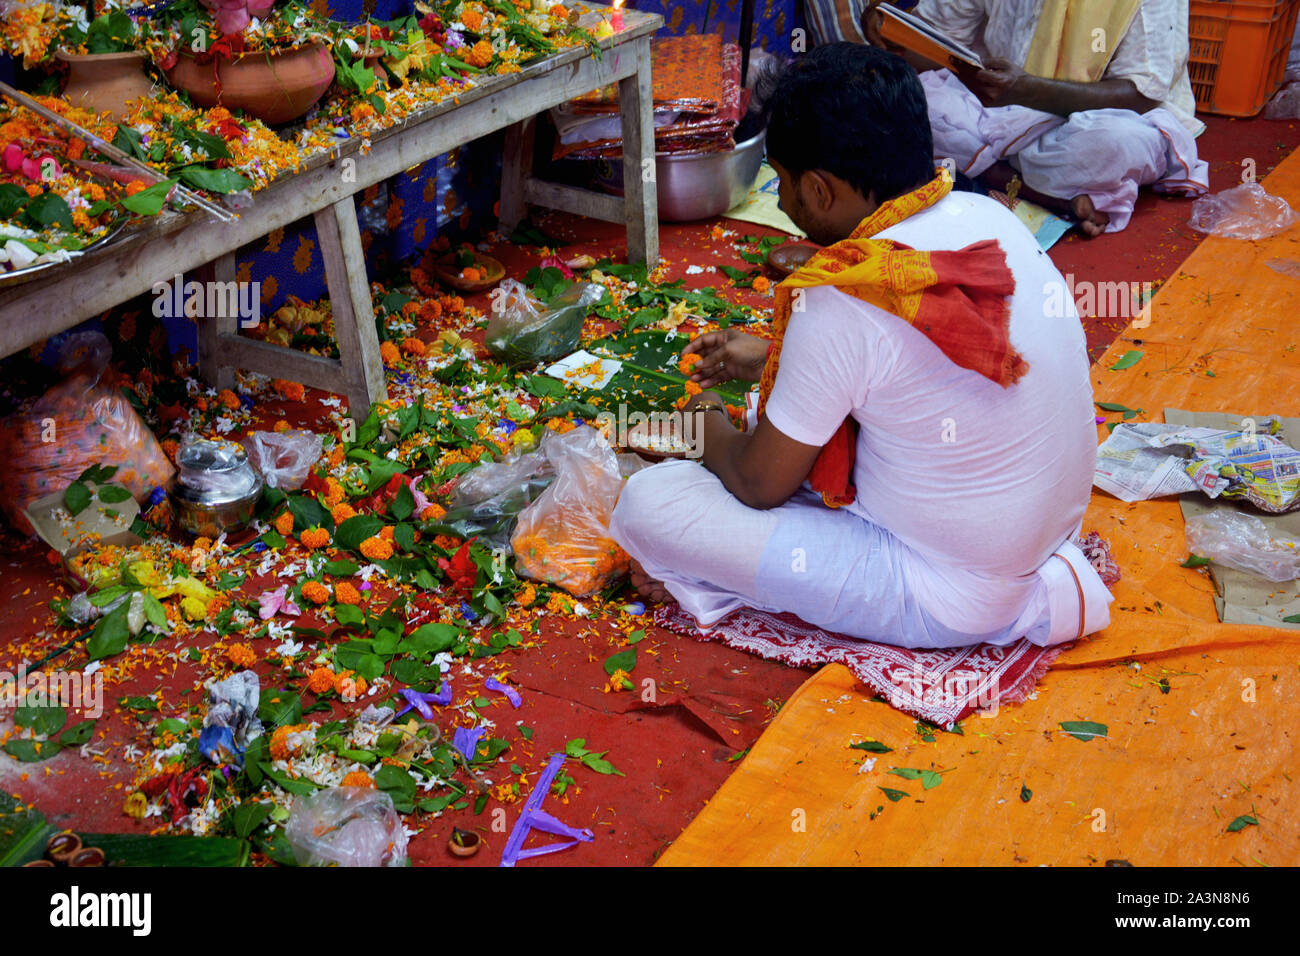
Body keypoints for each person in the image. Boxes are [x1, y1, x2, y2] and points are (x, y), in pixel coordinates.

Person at [609, 43, 1112, 650]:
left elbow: (759, 485)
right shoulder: (989, 217)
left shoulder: (844, 296)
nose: (786, 202)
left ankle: (718, 578)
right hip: (1041, 531)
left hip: (949, 592)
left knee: (650, 505)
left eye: (783, 182)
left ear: (819, 191)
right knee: (792, 433)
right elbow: (915, 365)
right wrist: (778, 356)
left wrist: (705, 423)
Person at [858, 0, 1208, 235]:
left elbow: (1140, 94)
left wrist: (1027, 91)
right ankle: (1042, 192)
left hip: (1095, 121)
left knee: (1117, 143)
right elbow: (937, 36)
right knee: (910, 102)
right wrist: (888, 28)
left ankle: (992, 176)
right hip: (996, 110)